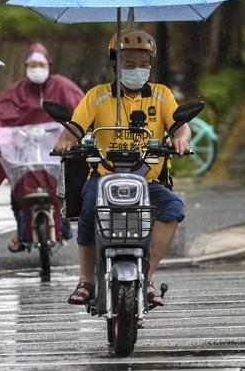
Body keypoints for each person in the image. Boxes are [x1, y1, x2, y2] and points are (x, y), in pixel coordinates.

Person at [53, 29, 191, 308]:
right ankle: (86, 281)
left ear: (150, 65)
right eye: (128, 64)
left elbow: (182, 128)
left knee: (173, 208)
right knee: (89, 208)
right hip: (103, 178)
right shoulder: (97, 96)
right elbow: (72, 132)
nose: (136, 69)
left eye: (143, 64)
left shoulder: (162, 96)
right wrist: (65, 143)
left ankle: (147, 277)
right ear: (115, 64)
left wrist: (180, 140)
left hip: (147, 181)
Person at [0, 42, 84, 252]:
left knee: (65, 185)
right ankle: (22, 228)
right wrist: (2, 135)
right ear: (25, 67)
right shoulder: (16, 91)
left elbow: (81, 111)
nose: (36, 69)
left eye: (40, 64)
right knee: (17, 190)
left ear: (49, 64)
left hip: (56, 151)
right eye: (32, 65)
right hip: (26, 154)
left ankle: (64, 222)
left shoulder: (62, 86)